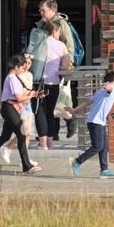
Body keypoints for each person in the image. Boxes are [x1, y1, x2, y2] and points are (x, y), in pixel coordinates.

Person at [0, 53, 42, 174]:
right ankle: (27, 166)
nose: (24, 70)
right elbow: (18, 98)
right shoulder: (12, 78)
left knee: (5, 136)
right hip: (9, 108)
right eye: (23, 67)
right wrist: (32, 95)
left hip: (11, 107)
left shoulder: (15, 77)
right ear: (16, 66)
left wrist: (33, 95)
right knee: (22, 134)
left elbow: (20, 96)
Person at [69, 70, 114, 179]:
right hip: (95, 122)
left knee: (104, 147)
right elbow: (109, 87)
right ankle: (77, 161)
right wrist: (107, 85)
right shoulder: (111, 89)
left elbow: (88, 101)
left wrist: (75, 110)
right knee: (97, 146)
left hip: (98, 122)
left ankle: (104, 170)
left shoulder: (100, 92)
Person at [33, 19, 72, 150]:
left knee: (39, 112)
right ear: (55, 30)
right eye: (59, 31)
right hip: (54, 83)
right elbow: (65, 66)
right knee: (50, 113)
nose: (60, 33)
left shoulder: (39, 43)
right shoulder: (62, 46)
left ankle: (42, 143)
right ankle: (50, 142)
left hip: (38, 83)